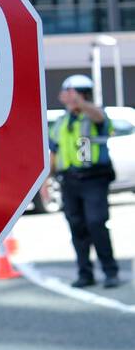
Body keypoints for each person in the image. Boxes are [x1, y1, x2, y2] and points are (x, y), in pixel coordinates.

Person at [51, 74, 121, 289]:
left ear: (80, 93)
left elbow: (100, 117)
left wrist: (80, 102)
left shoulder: (93, 115)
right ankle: (85, 273)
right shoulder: (61, 121)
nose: (63, 96)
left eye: (68, 91)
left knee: (96, 223)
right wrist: (45, 182)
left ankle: (110, 272)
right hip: (70, 181)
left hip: (94, 179)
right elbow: (54, 152)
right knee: (77, 227)